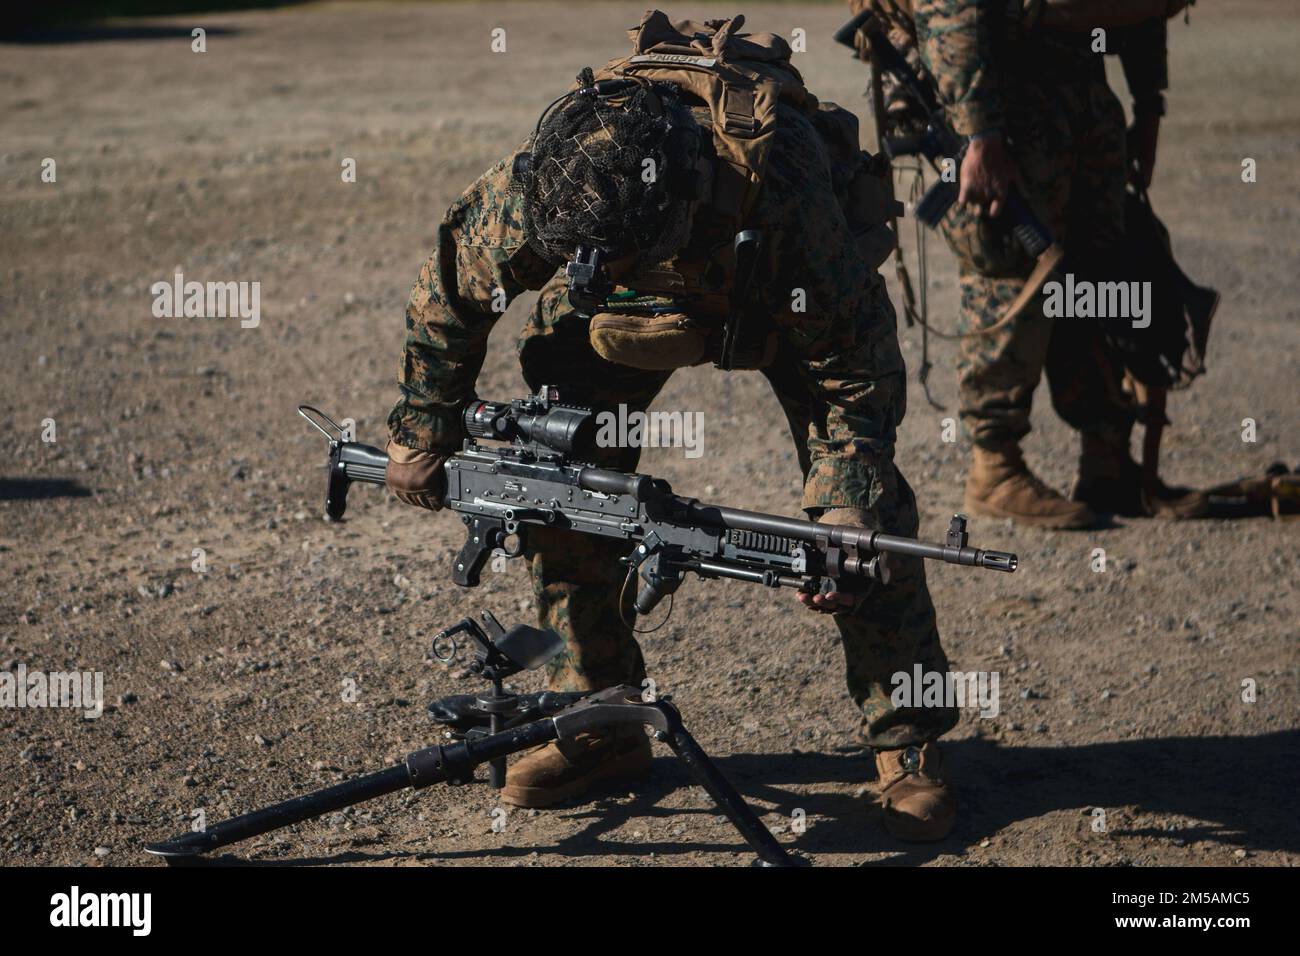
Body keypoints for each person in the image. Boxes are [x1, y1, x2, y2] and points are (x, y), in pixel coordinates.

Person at [384, 11, 965, 841]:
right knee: (558, 490)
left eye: (610, 254)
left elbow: (854, 360)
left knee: (866, 530)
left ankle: (906, 740)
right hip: (616, 314)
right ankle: (600, 718)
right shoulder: (553, 178)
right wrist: (424, 423)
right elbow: (451, 287)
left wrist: (845, 496)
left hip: (775, 295)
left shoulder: (784, 187)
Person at [847, 0, 1203, 528]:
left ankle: (1106, 458)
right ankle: (995, 469)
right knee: (1011, 270)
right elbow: (951, 6)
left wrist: (1149, 105)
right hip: (996, 102)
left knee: (1097, 270)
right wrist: (979, 133)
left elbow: (1140, 9)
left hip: (1080, 95)